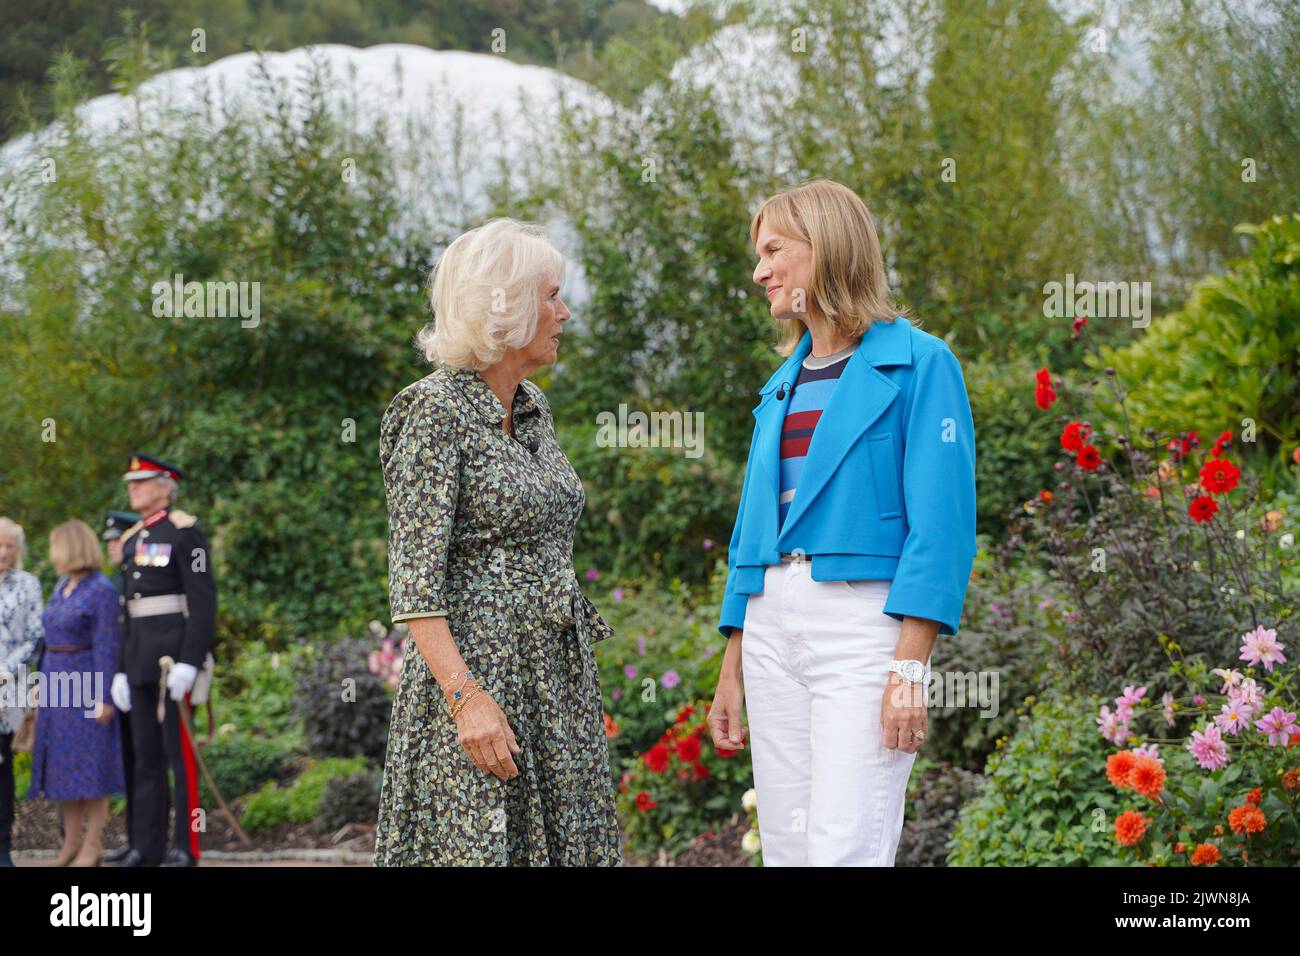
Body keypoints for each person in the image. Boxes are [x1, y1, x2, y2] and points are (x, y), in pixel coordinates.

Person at [708, 180, 977, 866]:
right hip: (770, 627)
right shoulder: (780, 386)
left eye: (772, 251)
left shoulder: (920, 364)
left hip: (863, 628)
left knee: (845, 847)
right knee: (791, 848)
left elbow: (941, 531)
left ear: (824, 249)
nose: (759, 270)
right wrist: (731, 667)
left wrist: (911, 673)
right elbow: (751, 535)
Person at [374, 217, 620, 866]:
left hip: (556, 682)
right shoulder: (432, 411)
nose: (565, 312)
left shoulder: (533, 405)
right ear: (505, 305)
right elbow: (414, 581)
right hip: (481, 683)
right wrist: (467, 700)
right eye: (552, 296)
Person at [109, 454, 216, 867]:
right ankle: (145, 845)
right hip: (137, 660)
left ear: (165, 486)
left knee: (180, 756)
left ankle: (186, 847)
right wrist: (120, 667)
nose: (132, 488)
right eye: (131, 482)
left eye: (141, 481)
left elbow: (203, 602)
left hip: (173, 660)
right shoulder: (134, 538)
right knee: (144, 756)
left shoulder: (185, 533)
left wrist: (191, 661)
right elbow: (127, 609)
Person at [26, 520, 125, 867]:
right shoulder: (62, 586)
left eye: (56, 545)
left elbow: (107, 646)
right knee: (62, 769)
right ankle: (70, 843)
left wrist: (104, 696)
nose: (52, 554)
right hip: (56, 683)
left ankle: (92, 844)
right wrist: (40, 681)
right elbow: (47, 640)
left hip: (85, 682)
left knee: (92, 768)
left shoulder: (101, 590)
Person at [0, 517, 44, 868]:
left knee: (2, 767)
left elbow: (35, 637)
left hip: (7, 687)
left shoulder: (28, 584)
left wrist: (5, 670)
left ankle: (2, 846)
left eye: (8, 545)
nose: (2, 552)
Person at [100, 510, 138, 865]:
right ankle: (135, 838)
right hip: (126, 678)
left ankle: (148, 841)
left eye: (118, 539)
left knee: (147, 762)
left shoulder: (133, 579)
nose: (112, 546)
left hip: (142, 675)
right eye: (109, 540)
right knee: (130, 761)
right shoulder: (122, 579)